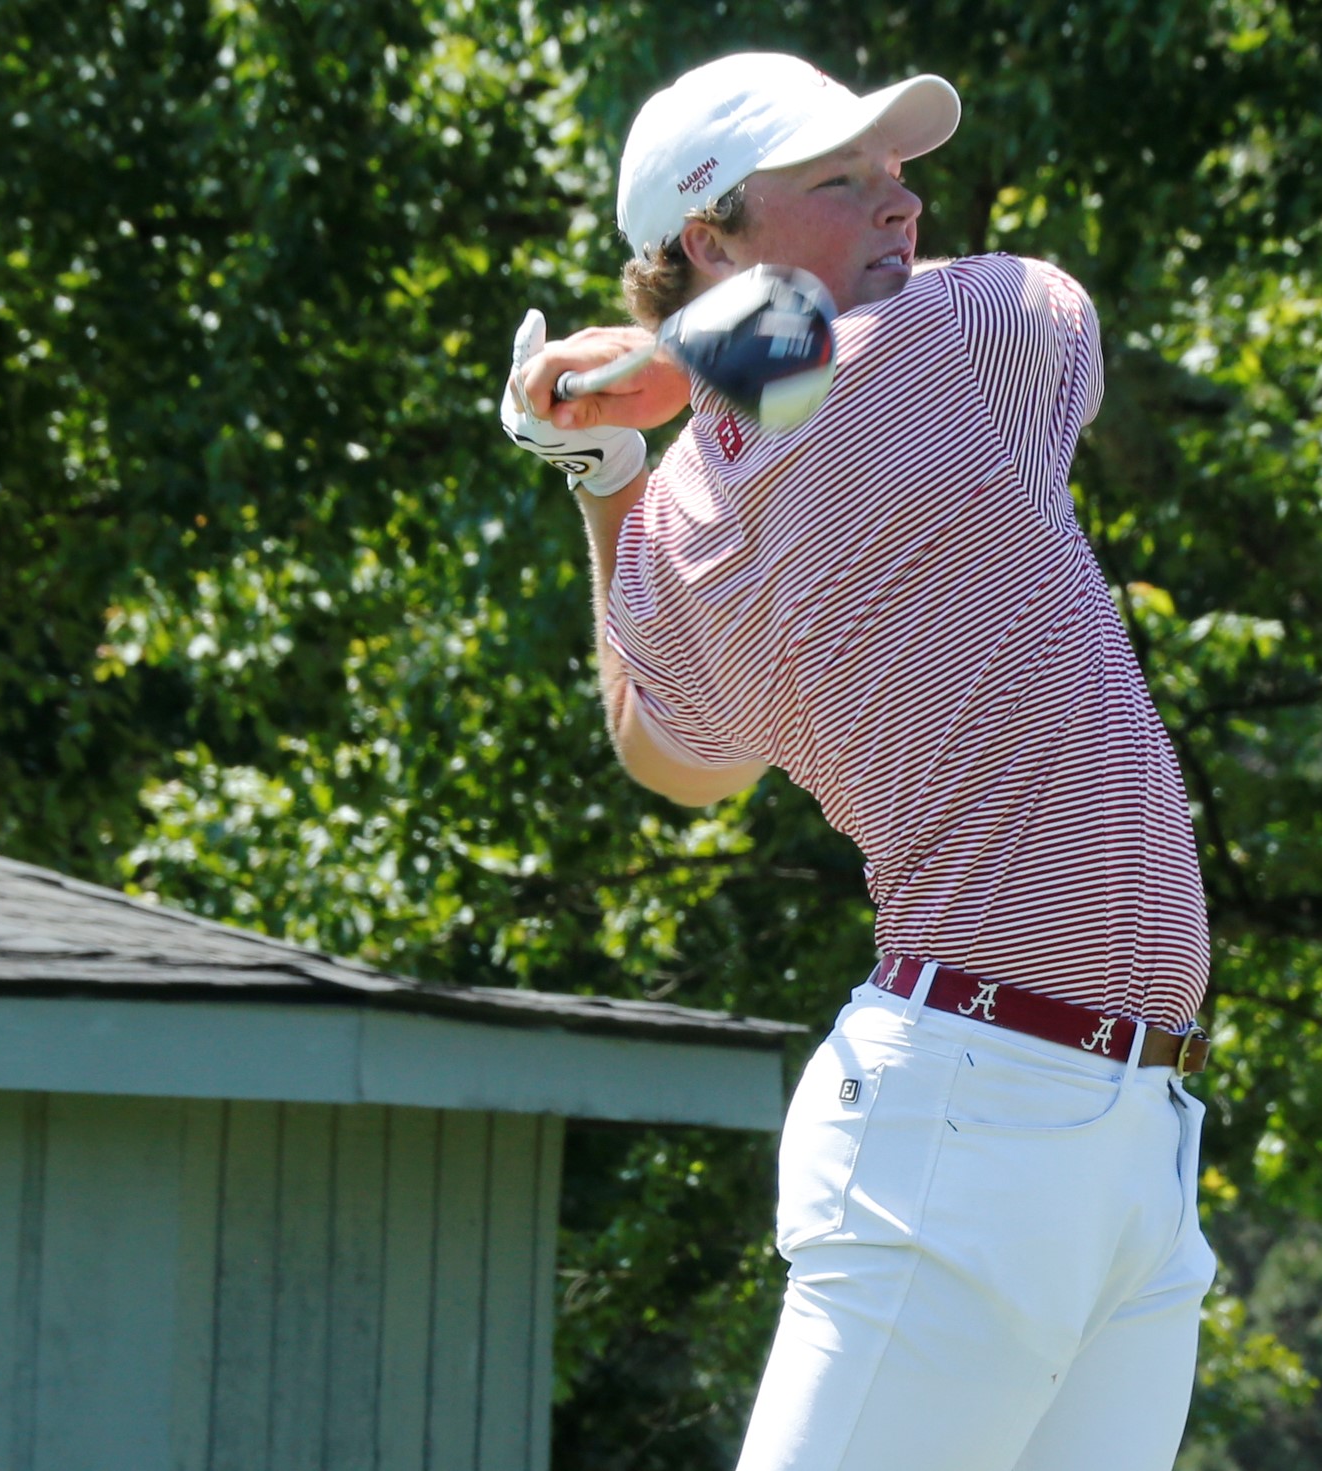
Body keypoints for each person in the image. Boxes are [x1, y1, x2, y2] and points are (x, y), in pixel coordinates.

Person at [497, 52, 1218, 1471]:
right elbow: (1042, 303)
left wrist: (612, 458)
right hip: (970, 1126)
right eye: (844, 179)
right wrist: (651, 421)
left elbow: (672, 751)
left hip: (1125, 1136)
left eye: (894, 170)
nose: (904, 200)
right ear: (710, 241)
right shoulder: (939, 355)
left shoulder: (699, 499)